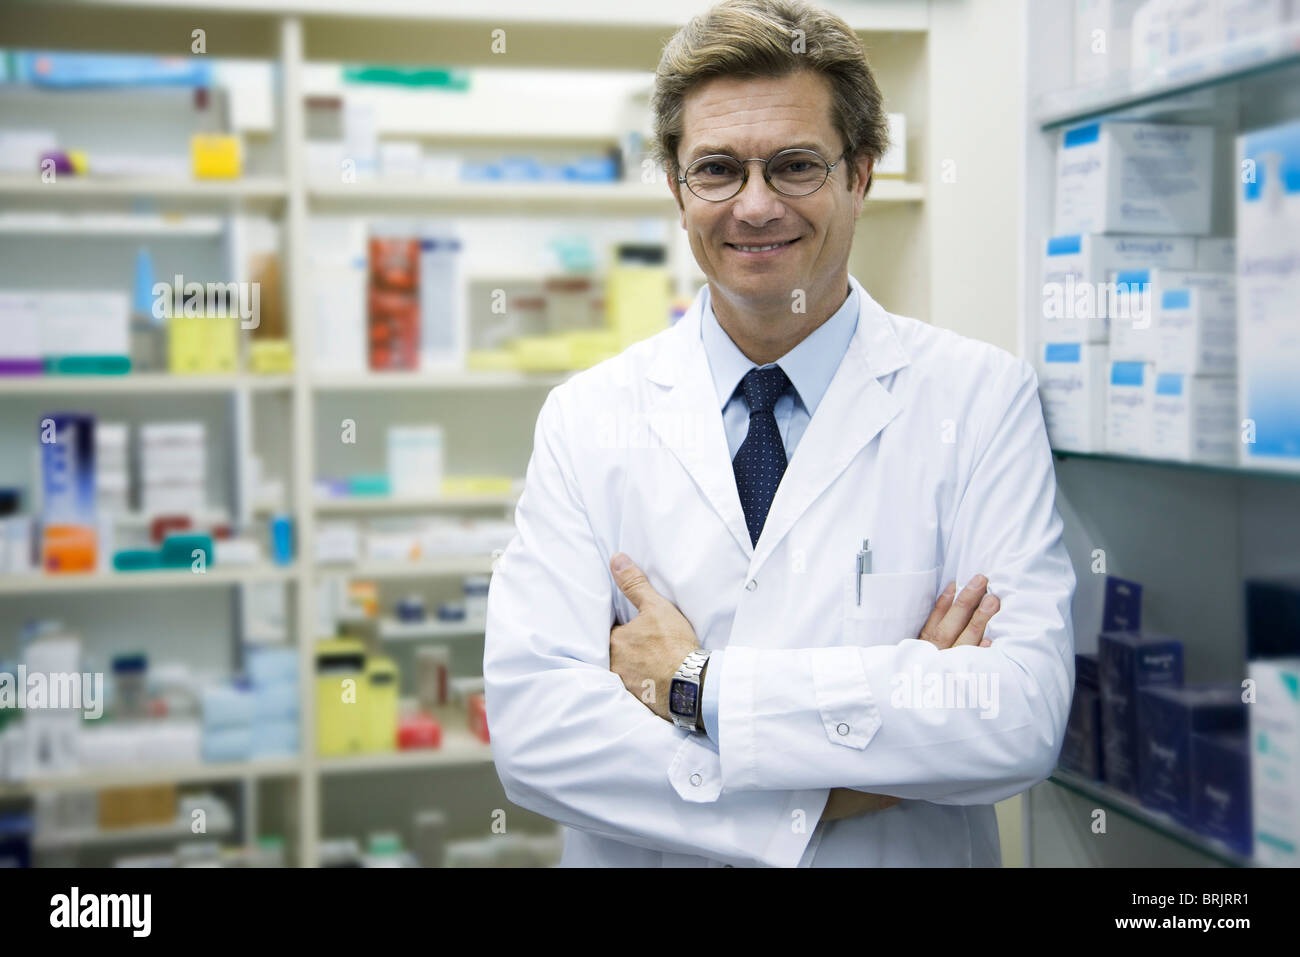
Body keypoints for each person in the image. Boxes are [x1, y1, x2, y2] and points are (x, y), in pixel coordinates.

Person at [484, 0, 1075, 867]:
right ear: (680, 189)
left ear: (861, 173)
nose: (754, 207)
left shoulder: (979, 398)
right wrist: (858, 764)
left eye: (796, 165)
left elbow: (1019, 716)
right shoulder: (587, 416)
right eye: (717, 169)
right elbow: (536, 737)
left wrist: (695, 686)